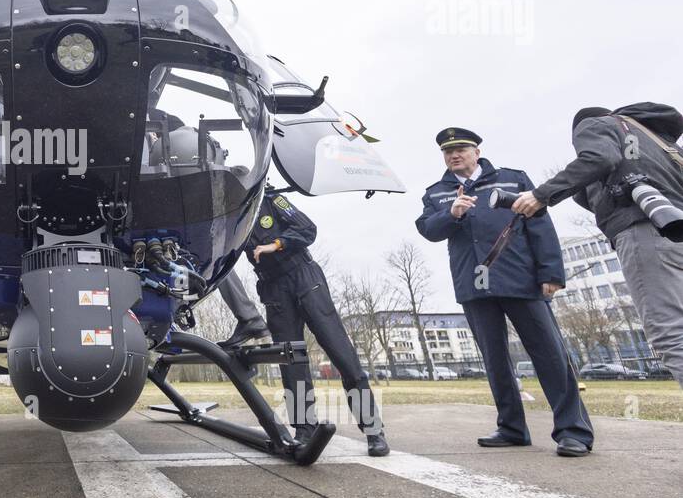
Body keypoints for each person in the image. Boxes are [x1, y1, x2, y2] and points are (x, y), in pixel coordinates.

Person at [416, 128, 594, 456]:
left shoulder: (513, 179)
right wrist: (451, 213)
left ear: (477, 151)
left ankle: (573, 430)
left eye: (461, 149)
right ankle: (511, 427)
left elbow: (539, 224)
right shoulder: (437, 192)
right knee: (495, 360)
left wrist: (551, 272)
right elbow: (428, 229)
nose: (454, 155)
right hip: (472, 284)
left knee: (550, 354)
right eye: (448, 151)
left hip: (521, 278)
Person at [510, 104, 683, 388]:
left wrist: (542, 195)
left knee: (671, 333)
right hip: (674, 225)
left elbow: (599, 158)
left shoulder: (596, 124)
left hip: (647, 232)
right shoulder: (659, 141)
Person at [248, 191, 389, 457]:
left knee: (340, 350)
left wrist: (276, 244)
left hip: (304, 277)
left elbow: (306, 228)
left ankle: (373, 429)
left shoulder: (272, 201)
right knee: (291, 362)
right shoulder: (233, 220)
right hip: (273, 288)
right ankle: (304, 430)